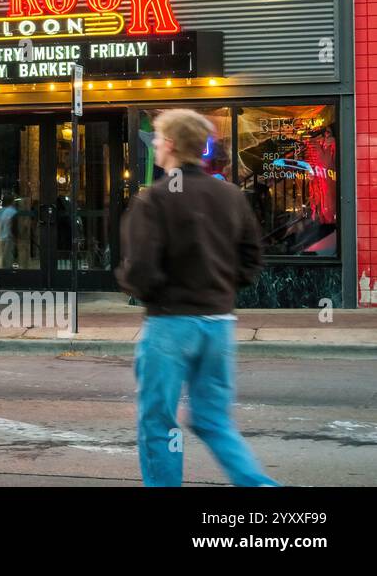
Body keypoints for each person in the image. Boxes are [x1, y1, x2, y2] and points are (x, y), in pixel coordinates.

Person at [118, 109, 278, 487]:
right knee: (213, 419)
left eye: (157, 138)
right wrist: (221, 287)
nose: (154, 144)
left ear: (171, 144)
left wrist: (135, 286)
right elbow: (252, 259)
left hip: (170, 325)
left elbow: (140, 270)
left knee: (158, 422)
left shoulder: (154, 199)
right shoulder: (229, 195)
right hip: (219, 324)